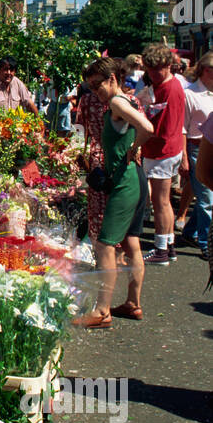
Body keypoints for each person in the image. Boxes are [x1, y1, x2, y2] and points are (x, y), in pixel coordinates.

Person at [73, 58, 153, 328]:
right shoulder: (126, 101)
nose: (95, 92)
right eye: (90, 87)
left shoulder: (118, 103)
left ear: (112, 79)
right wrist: (134, 148)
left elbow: (148, 128)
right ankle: (132, 303)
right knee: (131, 241)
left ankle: (102, 310)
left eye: (98, 85)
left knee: (106, 245)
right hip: (133, 178)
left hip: (123, 181)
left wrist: (134, 147)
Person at [140, 43, 186, 264]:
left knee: (159, 202)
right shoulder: (167, 85)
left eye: (156, 69)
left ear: (168, 66)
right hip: (166, 150)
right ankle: (168, 245)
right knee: (164, 201)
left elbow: (161, 129)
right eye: (149, 69)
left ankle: (160, 250)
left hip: (161, 151)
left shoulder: (170, 89)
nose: (152, 74)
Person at [180, 52, 213, 251]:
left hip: (209, 148)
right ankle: (206, 244)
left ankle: (190, 231)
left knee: (204, 197)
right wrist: (183, 156)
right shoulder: (189, 94)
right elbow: (182, 128)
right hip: (196, 148)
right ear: (207, 71)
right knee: (207, 199)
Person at [77, 82, 107, 242]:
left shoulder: (126, 101)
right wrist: (76, 150)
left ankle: (114, 251)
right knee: (97, 204)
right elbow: (80, 127)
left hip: (115, 160)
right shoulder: (87, 100)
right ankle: (100, 246)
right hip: (98, 159)